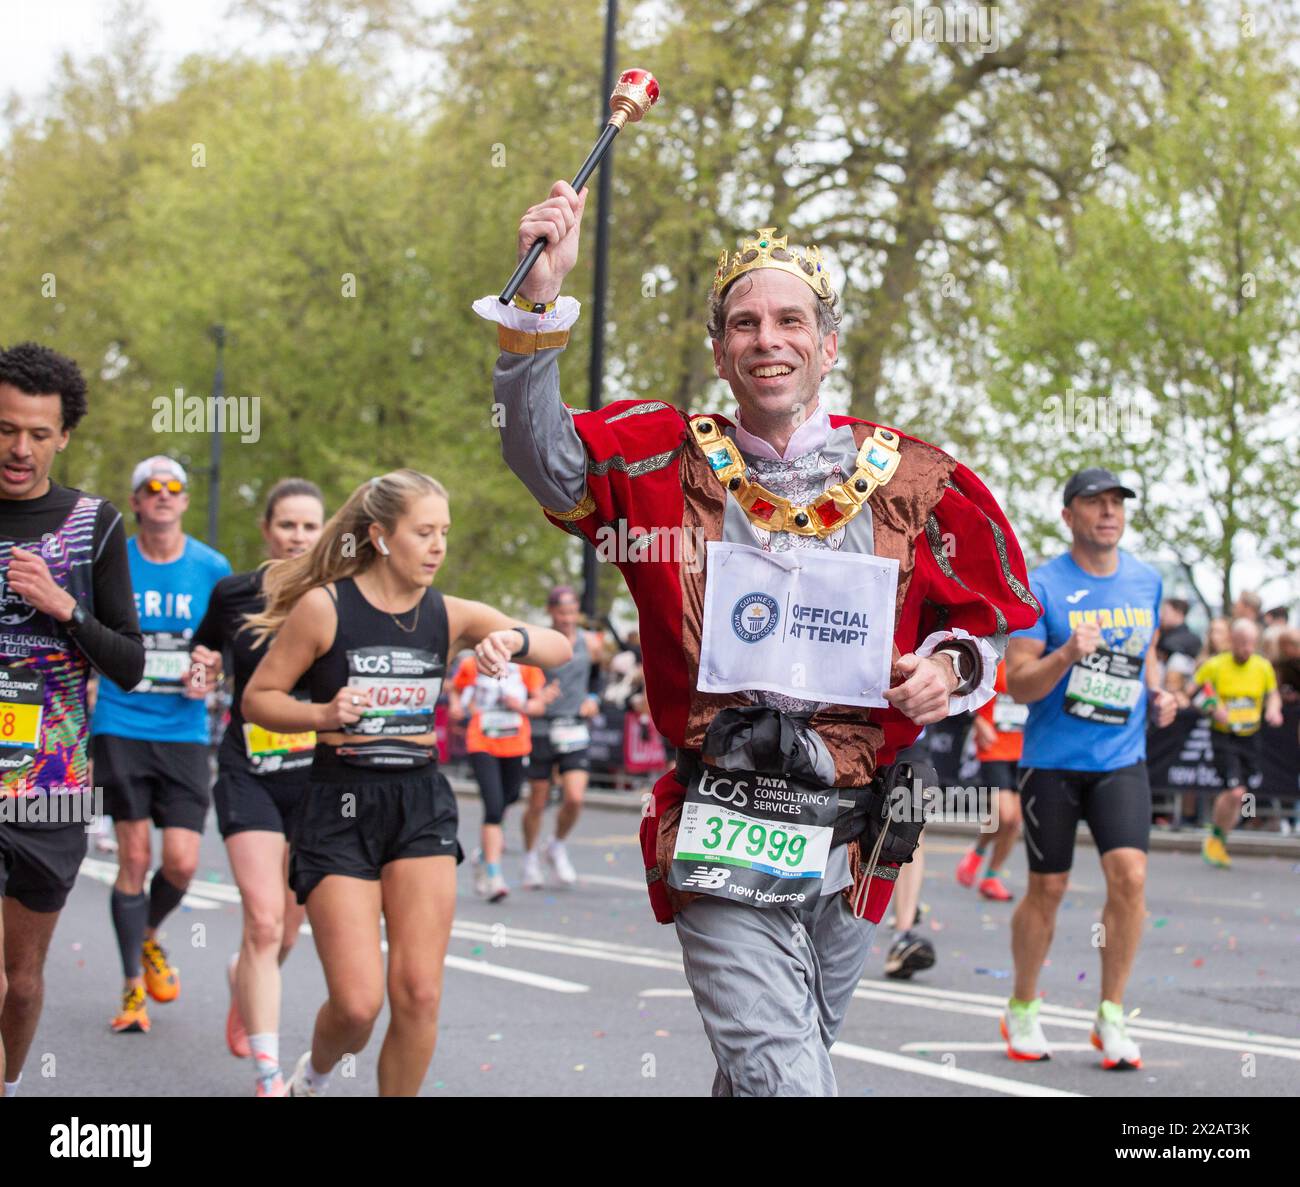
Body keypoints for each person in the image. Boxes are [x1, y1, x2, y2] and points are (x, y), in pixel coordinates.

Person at [475, 184, 1040, 1096]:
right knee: (789, 1079)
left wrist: (945, 672)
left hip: (859, 834)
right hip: (726, 815)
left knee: (772, 1068)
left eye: (788, 320)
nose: (767, 339)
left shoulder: (915, 480)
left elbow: (985, 633)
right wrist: (537, 298)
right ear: (720, 351)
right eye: (744, 323)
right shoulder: (661, 459)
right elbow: (537, 450)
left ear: (827, 344)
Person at [241, 469, 572, 1096]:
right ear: (381, 536)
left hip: (419, 803)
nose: (438, 546)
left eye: (443, 532)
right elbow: (259, 700)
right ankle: (311, 1079)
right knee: (358, 1004)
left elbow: (558, 648)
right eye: (423, 532)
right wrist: (321, 714)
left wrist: (512, 636)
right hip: (341, 802)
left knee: (419, 992)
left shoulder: (445, 615)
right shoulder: (325, 607)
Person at [0, 343, 144, 1097]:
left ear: (63, 436)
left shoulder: (95, 524)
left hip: (49, 786)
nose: (18, 448)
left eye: (36, 432)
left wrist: (65, 607)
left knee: (20, 983)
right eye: (3, 429)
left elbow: (130, 662)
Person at [1004, 468, 1177, 1070]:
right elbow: (1020, 685)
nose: (1108, 512)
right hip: (1052, 761)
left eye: (1116, 504)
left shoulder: (1146, 581)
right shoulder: (1041, 586)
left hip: (1121, 758)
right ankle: (1023, 1004)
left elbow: (1145, 654)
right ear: (1068, 515)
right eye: (1094, 503)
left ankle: (1111, 1015)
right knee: (1047, 889)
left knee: (1129, 877)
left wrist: (1158, 693)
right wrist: (1066, 653)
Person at [190, 478, 325, 1095]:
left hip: (316, 778)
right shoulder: (234, 591)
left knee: (289, 929)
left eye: (309, 526)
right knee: (265, 921)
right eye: (287, 525)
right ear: (268, 529)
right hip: (248, 769)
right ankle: (270, 1076)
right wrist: (204, 665)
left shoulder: (336, 597)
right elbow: (206, 647)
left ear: (325, 532)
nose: (297, 536)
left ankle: (244, 981)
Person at [89, 456, 230, 1034]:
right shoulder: (111, 559)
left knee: (182, 860)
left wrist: (211, 669)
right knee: (135, 859)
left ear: (185, 501)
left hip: (183, 732)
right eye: (153, 488)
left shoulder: (211, 566)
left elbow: (221, 647)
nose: (165, 496)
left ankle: (148, 934)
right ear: (137, 500)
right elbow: (87, 630)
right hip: (120, 724)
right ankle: (130, 992)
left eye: (175, 488)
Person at [519, 586, 603, 889]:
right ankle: (530, 857)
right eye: (562, 612)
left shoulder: (588, 642)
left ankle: (556, 844)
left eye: (572, 612)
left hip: (574, 725)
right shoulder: (539, 640)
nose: (567, 618)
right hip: (543, 726)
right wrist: (534, 695)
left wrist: (593, 696)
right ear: (551, 612)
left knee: (575, 797)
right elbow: (521, 676)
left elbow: (597, 674)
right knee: (537, 801)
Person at [450, 651, 547, 901]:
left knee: (510, 797)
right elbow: (456, 689)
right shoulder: (472, 664)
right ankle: (494, 875)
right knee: (493, 808)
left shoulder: (526, 667)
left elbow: (538, 704)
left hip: (516, 742)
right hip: (482, 741)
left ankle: (483, 855)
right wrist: (455, 706)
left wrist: (522, 706)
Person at [1193, 618, 1282, 868]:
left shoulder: (1262, 666)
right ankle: (1215, 838)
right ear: (1232, 640)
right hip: (1224, 735)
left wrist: (1274, 710)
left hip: (1251, 735)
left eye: (1252, 644)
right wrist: (1213, 707)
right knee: (1235, 791)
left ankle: (1224, 836)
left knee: (1245, 792)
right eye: (1242, 643)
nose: (1247, 649)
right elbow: (1193, 693)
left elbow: (1272, 694)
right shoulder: (1215, 665)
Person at [954, 658, 1024, 902]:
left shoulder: (1037, 657)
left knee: (1015, 822)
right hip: (994, 745)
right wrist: (977, 720)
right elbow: (968, 688)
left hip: (1026, 748)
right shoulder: (997, 654)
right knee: (1004, 815)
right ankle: (978, 851)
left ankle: (991, 876)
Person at [1156, 598, 1201, 700]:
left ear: (1178, 613)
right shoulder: (1160, 634)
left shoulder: (1191, 639)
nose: (1161, 616)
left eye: (1165, 612)